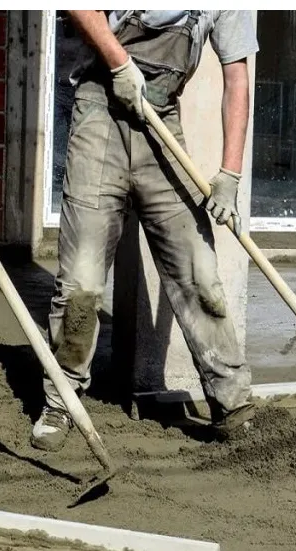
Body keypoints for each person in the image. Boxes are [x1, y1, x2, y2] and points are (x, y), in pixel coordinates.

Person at [31, 11, 259, 452]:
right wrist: (118, 63)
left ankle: (233, 405)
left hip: (162, 117)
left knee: (199, 273)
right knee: (82, 278)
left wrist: (230, 173)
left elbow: (237, 77)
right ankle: (60, 401)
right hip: (101, 108)